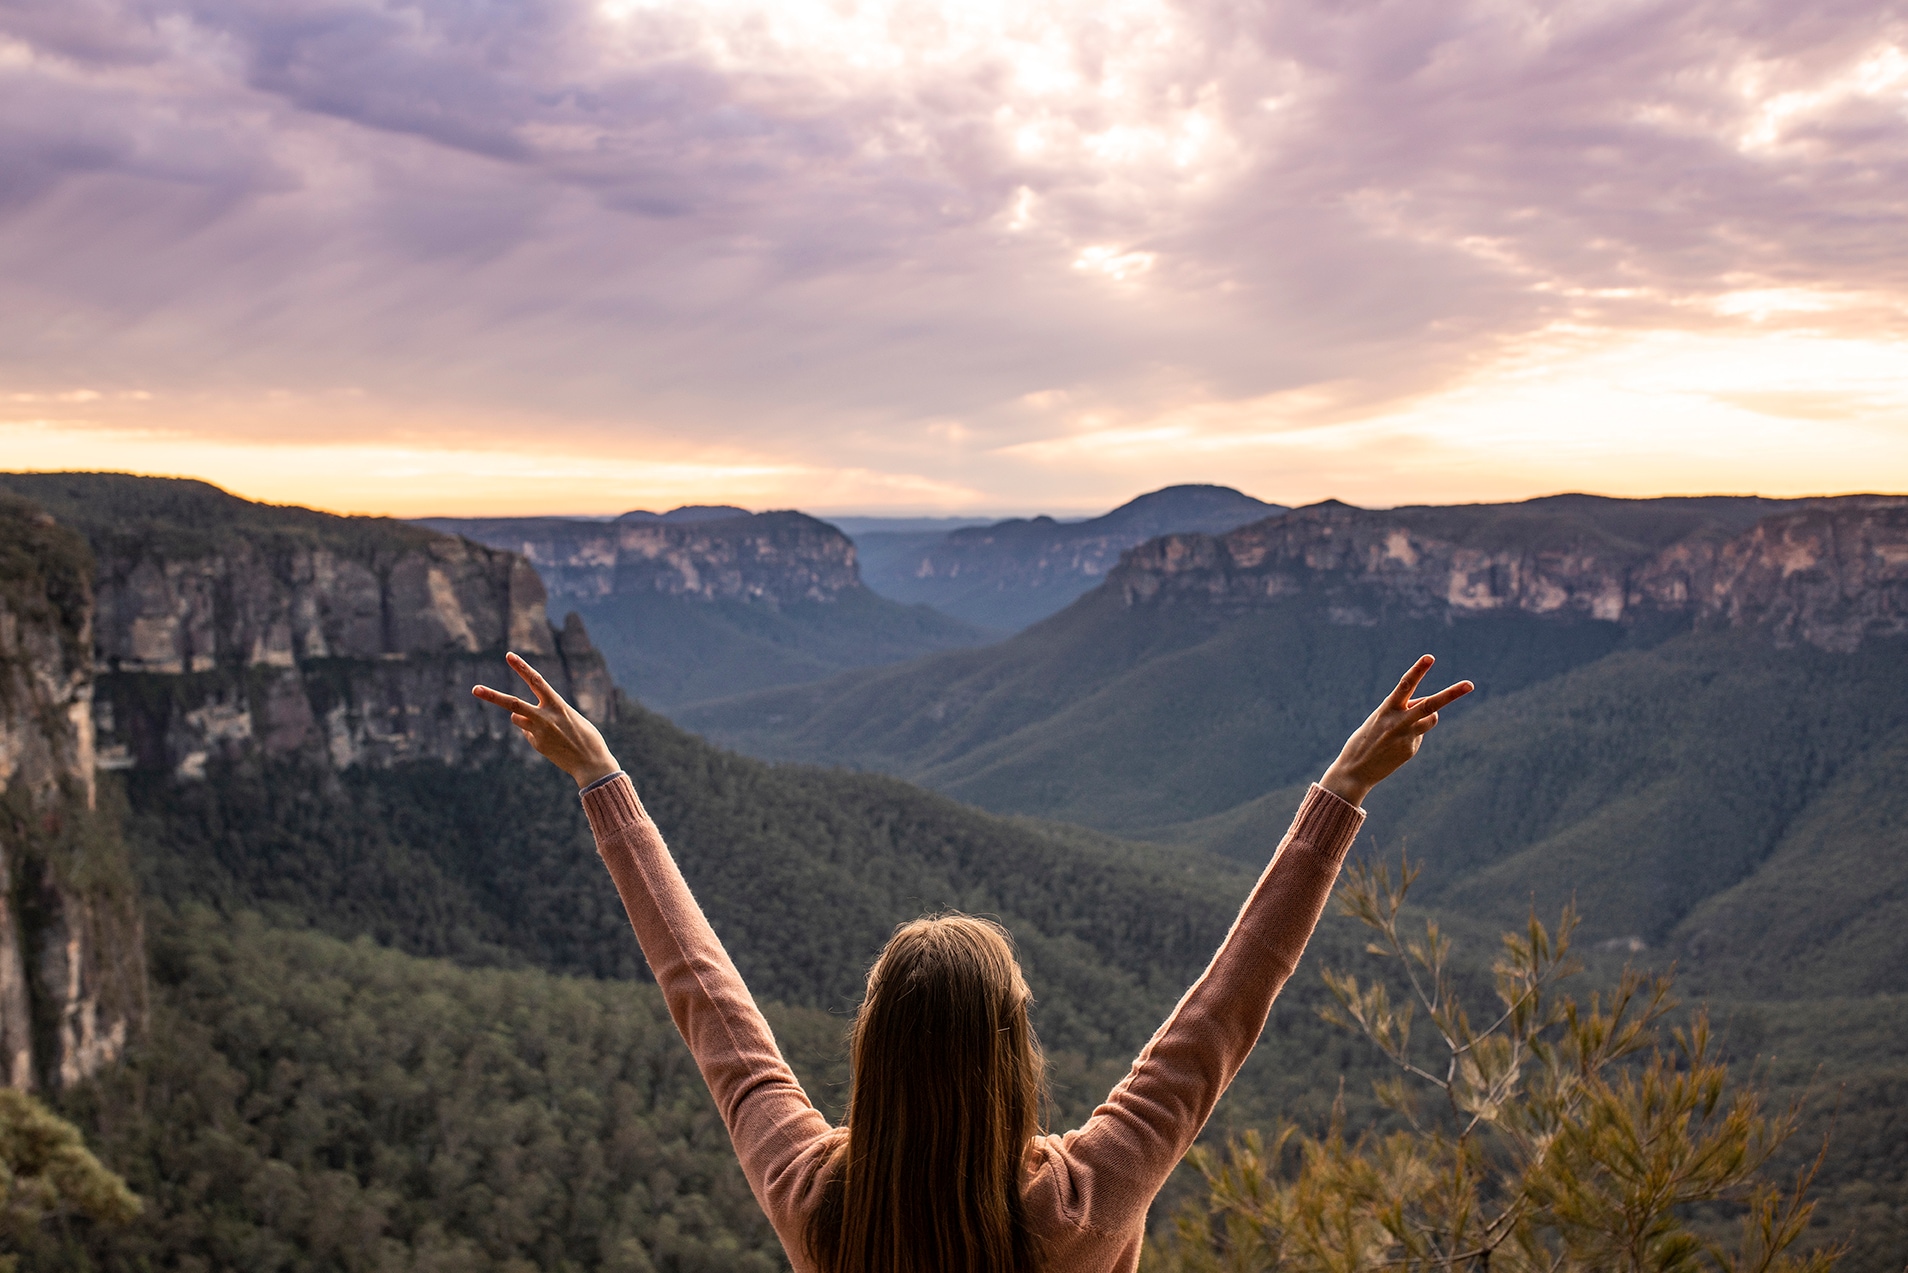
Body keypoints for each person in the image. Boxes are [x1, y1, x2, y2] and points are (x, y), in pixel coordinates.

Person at [475, 652, 1473, 1273]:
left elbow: (710, 1004)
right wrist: (1340, 789)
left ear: (874, 1049)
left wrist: (606, 780)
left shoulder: (820, 1207)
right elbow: (1225, 1008)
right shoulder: (1075, 1206)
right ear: (1010, 1053)